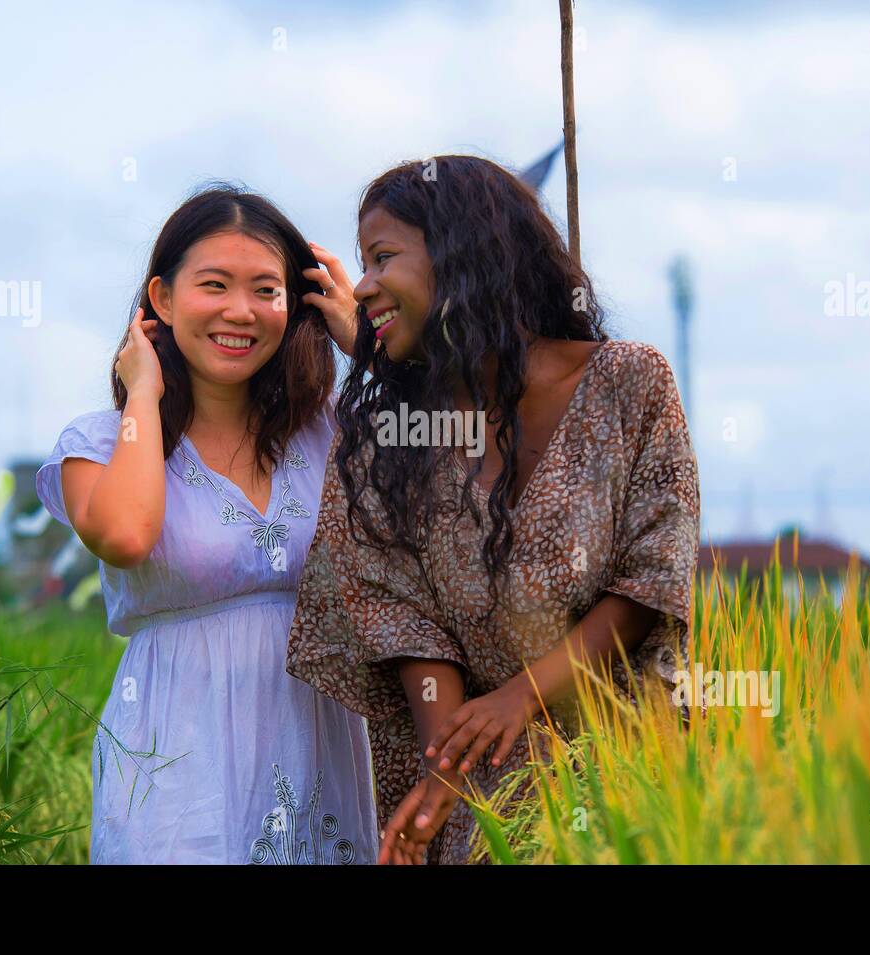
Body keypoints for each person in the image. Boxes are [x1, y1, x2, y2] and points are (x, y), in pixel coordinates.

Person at [285, 155, 700, 864]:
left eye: (383, 257)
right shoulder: (387, 438)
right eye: (361, 262)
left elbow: (649, 580)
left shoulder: (630, 382)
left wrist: (521, 697)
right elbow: (401, 621)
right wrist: (447, 770)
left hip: (625, 766)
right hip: (482, 793)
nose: (362, 286)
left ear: (461, 252)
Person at [35, 184, 378, 864]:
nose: (240, 311)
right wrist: (143, 391)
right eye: (214, 285)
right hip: (179, 756)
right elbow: (128, 536)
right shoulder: (100, 443)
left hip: (325, 743)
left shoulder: (331, 427)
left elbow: (452, 486)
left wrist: (365, 346)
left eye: (265, 290)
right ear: (161, 299)